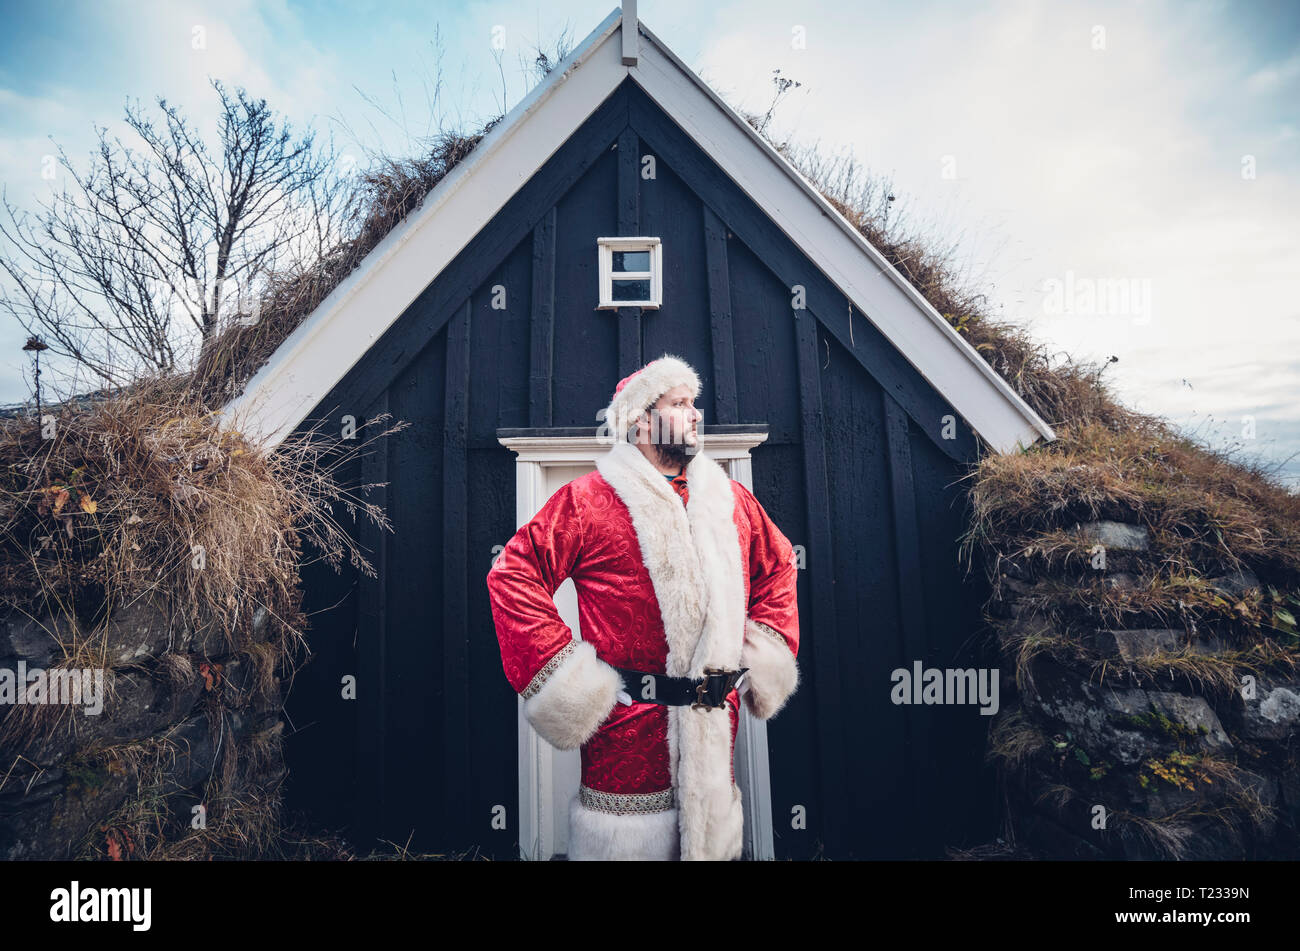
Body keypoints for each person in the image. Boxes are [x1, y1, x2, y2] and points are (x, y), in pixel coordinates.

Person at [486, 353, 800, 860]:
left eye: (694, 403)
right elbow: (513, 574)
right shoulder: (586, 500)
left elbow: (780, 565)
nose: (696, 413)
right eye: (680, 403)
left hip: (715, 729)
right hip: (626, 734)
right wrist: (573, 683)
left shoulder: (732, 501)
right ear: (641, 419)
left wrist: (760, 653)